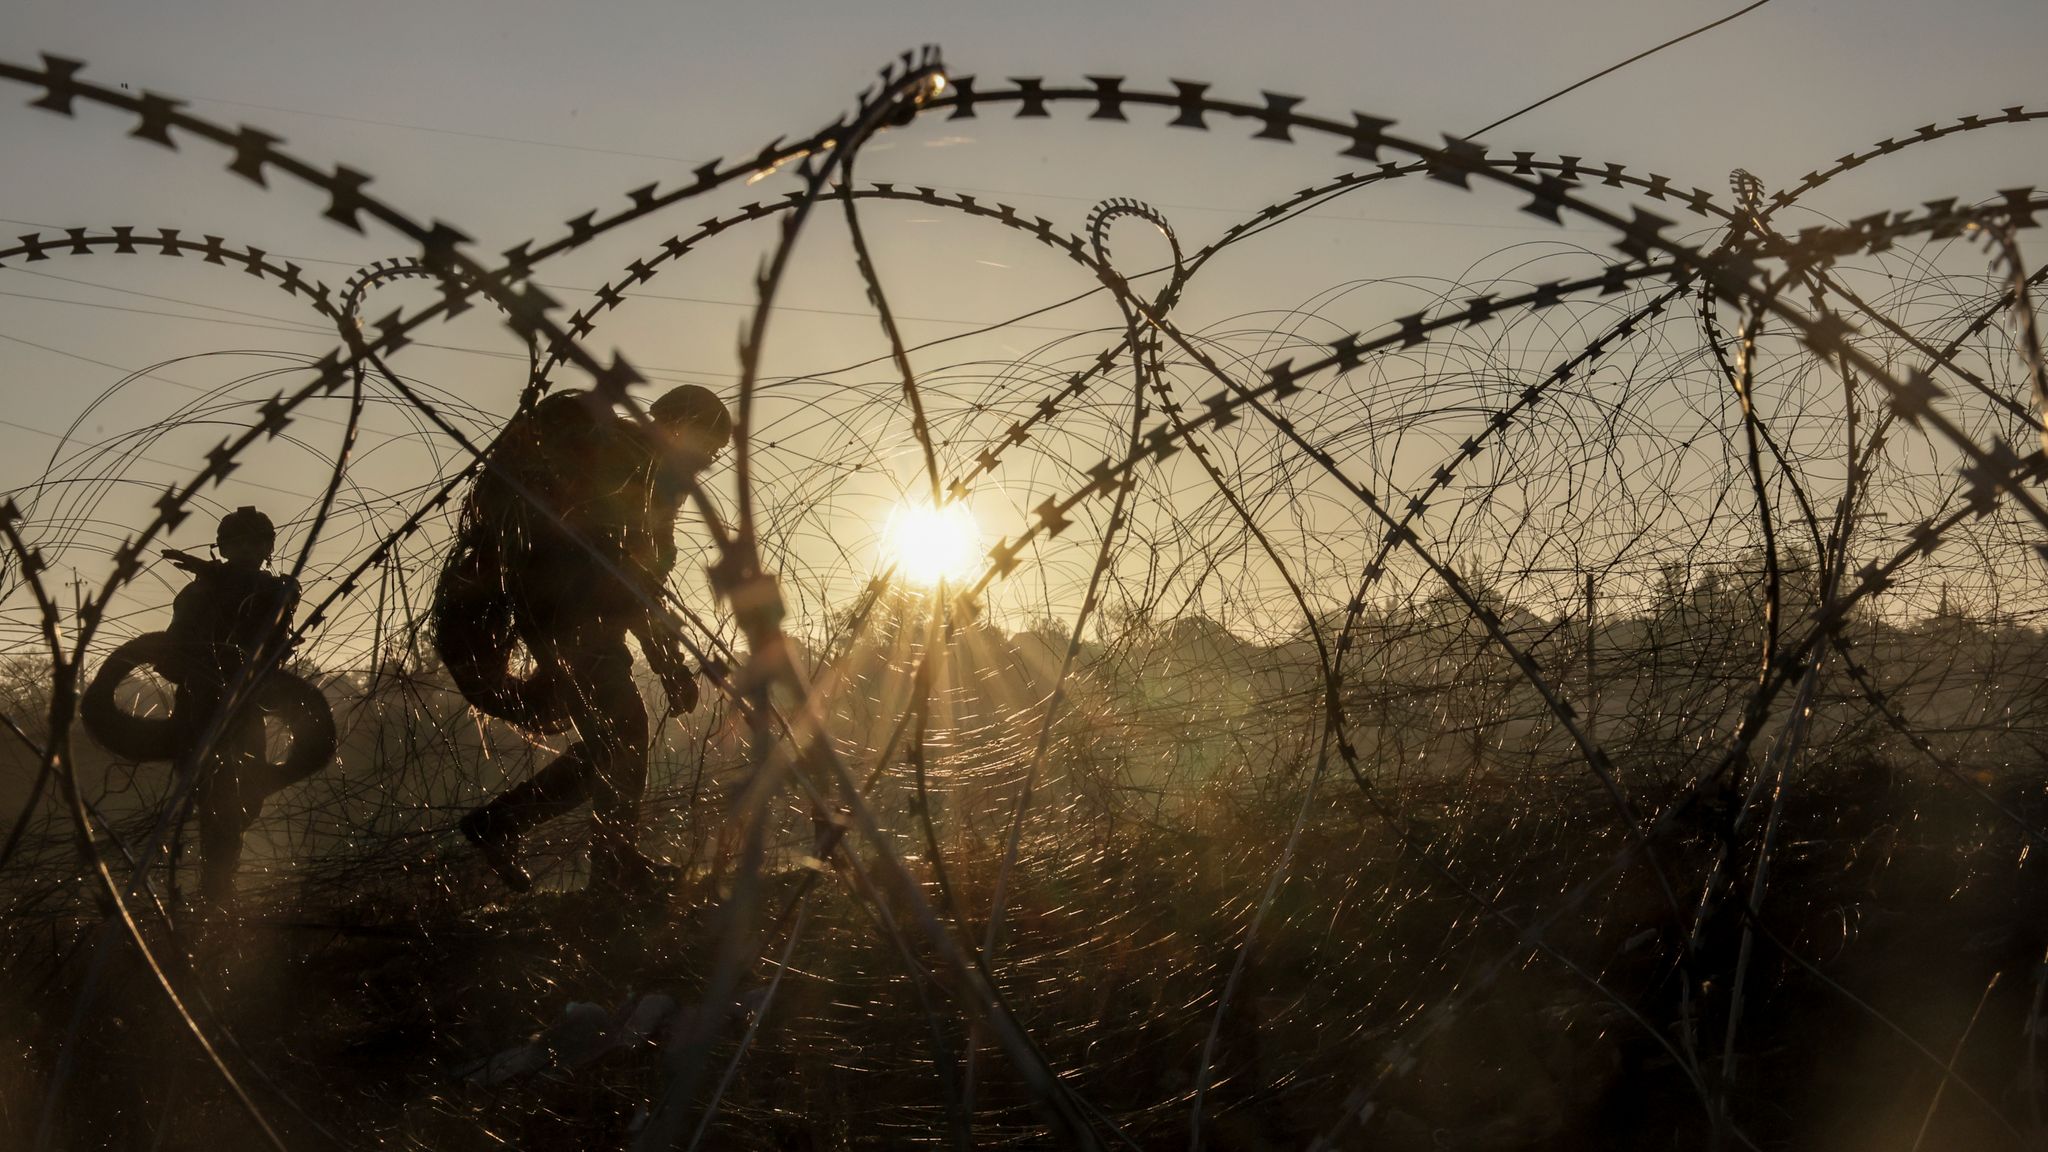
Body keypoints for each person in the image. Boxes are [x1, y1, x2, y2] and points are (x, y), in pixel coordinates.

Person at [448, 385, 730, 897]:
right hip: (569, 615)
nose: (705, 462)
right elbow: (633, 575)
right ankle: (609, 864)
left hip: (572, 614)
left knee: (614, 738)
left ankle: (508, 827)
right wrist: (666, 662)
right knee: (622, 731)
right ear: (679, 427)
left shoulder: (646, 468)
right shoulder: (627, 460)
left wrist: (665, 658)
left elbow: (642, 580)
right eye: (704, 447)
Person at [158, 506, 302, 913]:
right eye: (237, 543)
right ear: (223, 547)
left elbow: (275, 638)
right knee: (211, 797)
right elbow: (170, 657)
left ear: (266, 548)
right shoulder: (200, 593)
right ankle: (214, 889)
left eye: (253, 543)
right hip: (202, 707)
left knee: (243, 797)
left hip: (245, 707)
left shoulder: (275, 592)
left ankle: (219, 887)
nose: (246, 550)